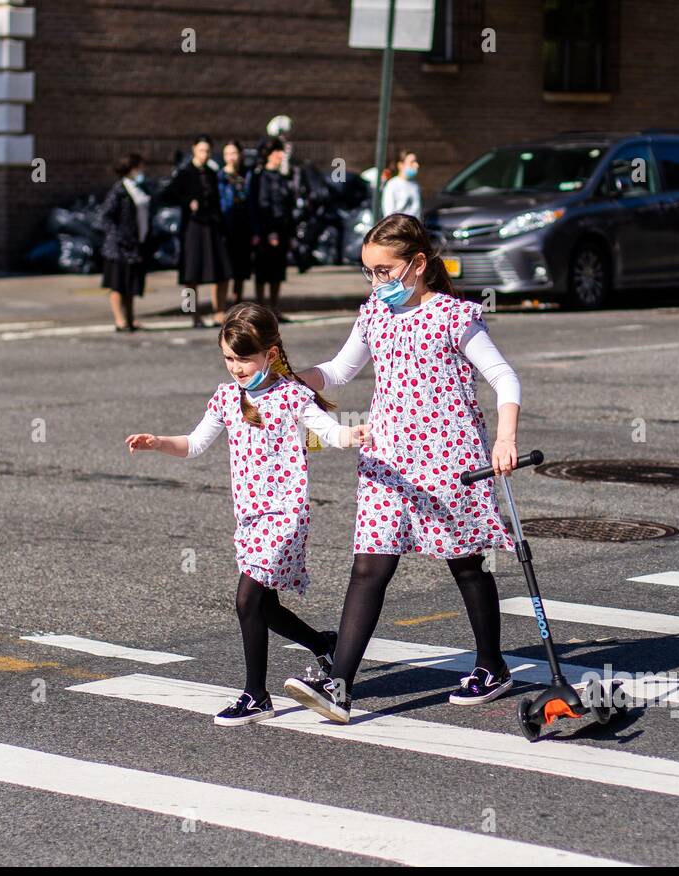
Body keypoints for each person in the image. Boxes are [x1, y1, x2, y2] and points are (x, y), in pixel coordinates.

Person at [282, 213, 522, 723]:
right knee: (370, 565)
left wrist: (505, 439)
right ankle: (340, 685)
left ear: (417, 264)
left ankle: (492, 664)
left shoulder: (456, 317)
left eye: (385, 271)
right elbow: (340, 371)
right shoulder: (374, 314)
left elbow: (505, 378)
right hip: (388, 458)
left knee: (466, 562)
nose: (377, 283)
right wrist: (284, 378)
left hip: (449, 458)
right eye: (369, 272)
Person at [125, 302, 368, 725]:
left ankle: (256, 695)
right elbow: (195, 443)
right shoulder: (226, 398)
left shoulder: (292, 394)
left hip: (284, 515)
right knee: (264, 607)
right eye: (228, 358)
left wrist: (352, 433)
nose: (236, 367)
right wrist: (157, 442)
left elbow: (329, 432)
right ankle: (323, 643)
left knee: (246, 599)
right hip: (251, 518)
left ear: (270, 354)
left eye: (244, 358)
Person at [160, 134, 232, 327]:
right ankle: (192, 314)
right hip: (192, 228)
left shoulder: (211, 172)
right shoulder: (184, 173)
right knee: (191, 274)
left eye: (208, 151)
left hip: (212, 226)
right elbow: (165, 196)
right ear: (194, 150)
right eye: (201, 150)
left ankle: (219, 312)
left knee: (222, 271)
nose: (205, 154)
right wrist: (186, 203)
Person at [94, 153, 149, 332]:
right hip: (119, 247)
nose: (142, 170)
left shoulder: (139, 188)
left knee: (131, 284)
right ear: (132, 168)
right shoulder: (119, 190)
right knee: (118, 285)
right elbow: (105, 216)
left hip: (136, 245)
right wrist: (118, 236)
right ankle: (120, 320)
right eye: (140, 166)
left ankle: (131, 318)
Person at [250, 138, 293, 312]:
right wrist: (269, 232)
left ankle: (274, 307)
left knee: (277, 271)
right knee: (263, 270)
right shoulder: (260, 176)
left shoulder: (282, 177)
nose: (281, 155)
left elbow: (286, 204)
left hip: (281, 228)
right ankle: (261, 308)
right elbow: (261, 204)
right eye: (278, 152)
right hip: (266, 229)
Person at [218, 140, 254, 303]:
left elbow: (252, 201)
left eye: (234, 153)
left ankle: (236, 305)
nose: (231, 157)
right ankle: (219, 307)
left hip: (243, 226)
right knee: (224, 271)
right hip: (225, 226)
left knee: (240, 271)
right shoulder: (219, 176)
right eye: (227, 154)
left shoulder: (247, 175)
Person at [381, 149, 421, 220]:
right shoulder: (392, 185)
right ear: (400, 165)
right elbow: (389, 215)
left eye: (416, 161)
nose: (416, 165)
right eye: (412, 162)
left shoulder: (416, 185)